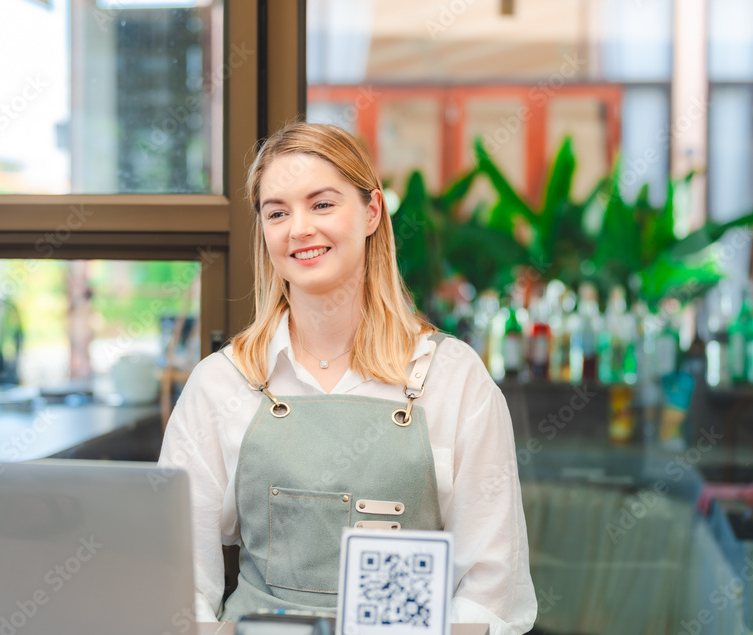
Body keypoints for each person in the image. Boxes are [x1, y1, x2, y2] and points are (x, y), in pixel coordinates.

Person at [157, 122, 536, 633]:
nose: (299, 229)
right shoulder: (221, 384)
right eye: (277, 212)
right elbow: (179, 582)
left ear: (372, 212)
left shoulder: (454, 378)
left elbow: (493, 593)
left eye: (322, 204)